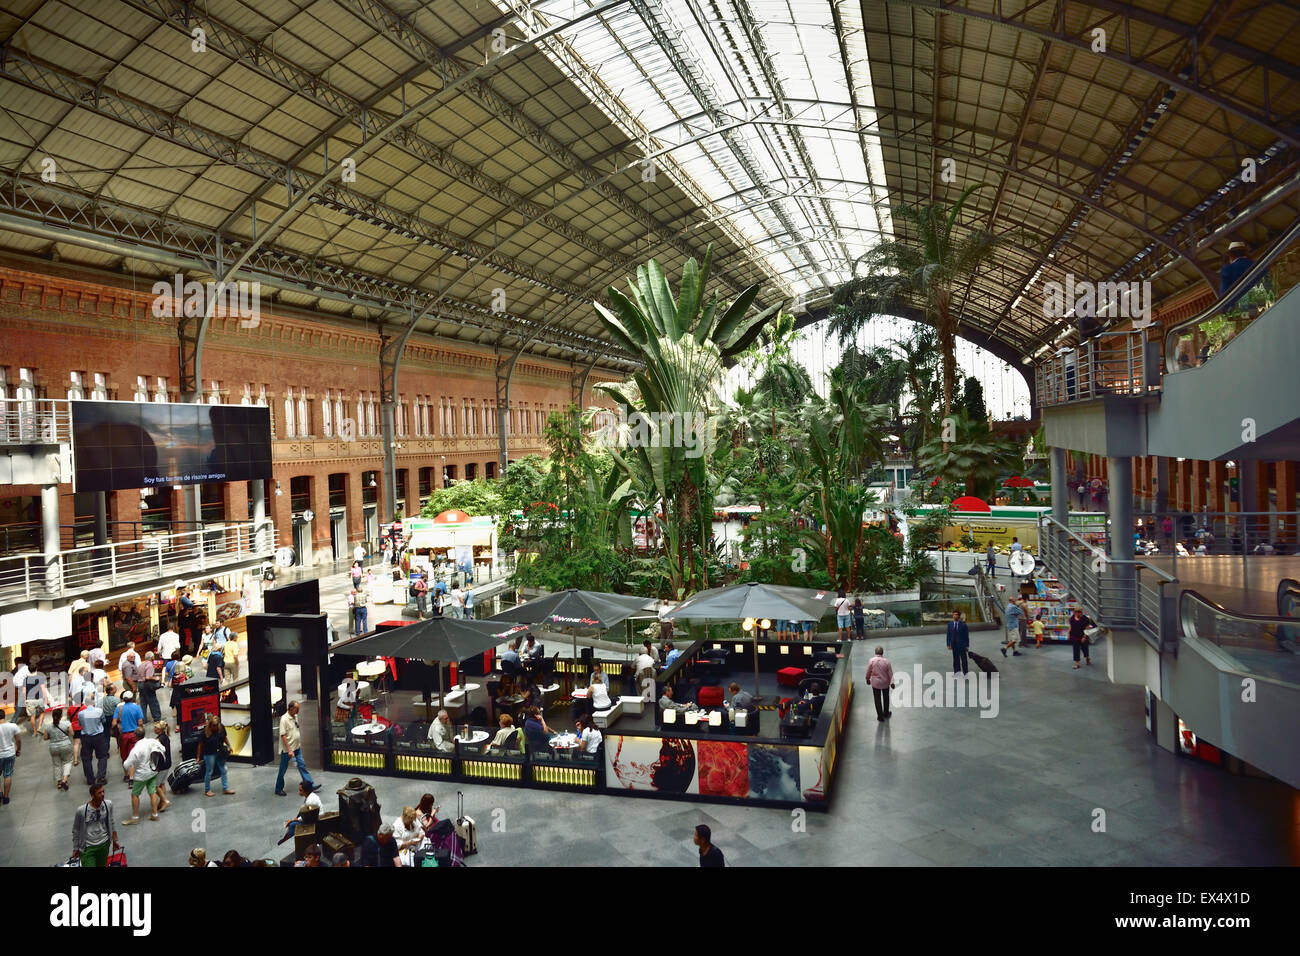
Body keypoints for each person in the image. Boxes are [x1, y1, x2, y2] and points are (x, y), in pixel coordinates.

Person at [120, 732, 169, 824]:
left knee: (135, 794)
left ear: (135, 737)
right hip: (152, 771)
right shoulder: (151, 741)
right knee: (152, 792)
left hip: (141, 775)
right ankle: (155, 814)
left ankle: (135, 817)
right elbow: (163, 748)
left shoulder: (135, 749)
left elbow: (126, 765)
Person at [72, 781, 120, 867]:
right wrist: (76, 848)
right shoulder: (81, 810)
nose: (102, 794)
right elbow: (76, 830)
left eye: (103, 792)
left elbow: (111, 822)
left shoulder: (108, 804)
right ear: (92, 795)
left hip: (104, 844)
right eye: (99, 793)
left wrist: (115, 840)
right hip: (88, 847)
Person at [275, 700, 315, 795]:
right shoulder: (284, 719)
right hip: (287, 750)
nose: (298, 711)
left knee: (302, 766)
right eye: (297, 709)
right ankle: (278, 788)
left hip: (297, 748)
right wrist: (289, 749)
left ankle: (310, 785)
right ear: (291, 708)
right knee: (283, 769)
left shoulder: (295, 717)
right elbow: (283, 735)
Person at [196, 713, 235, 796]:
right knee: (209, 771)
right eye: (214, 725)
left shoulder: (221, 728)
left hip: (220, 752)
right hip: (209, 753)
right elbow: (200, 745)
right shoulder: (205, 732)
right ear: (210, 725)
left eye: (217, 725)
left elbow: (224, 737)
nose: (216, 727)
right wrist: (198, 757)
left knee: (223, 769)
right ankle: (207, 790)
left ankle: (225, 788)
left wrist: (229, 746)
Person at [278, 779, 322, 845]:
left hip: (314, 821)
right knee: (292, 823)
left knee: (292, 825)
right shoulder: (311, 796)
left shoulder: (310, 801)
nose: (299, 792)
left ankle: (287, 840)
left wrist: (295, 820)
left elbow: (307, 816)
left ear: (306, 791)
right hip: (311, 818)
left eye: (301, 790)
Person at [77, 697, 108, 788]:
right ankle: (101, 777)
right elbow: (103, 721)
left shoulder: (81, 714)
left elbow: (80, 724)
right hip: (98, 736)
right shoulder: (99, 711)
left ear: (85, 704)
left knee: (86, 758)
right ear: (94, 702)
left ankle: (90, 778)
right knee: (102, 756)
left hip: (86, 737)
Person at [113, 690, 145, 774]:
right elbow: (140, 722)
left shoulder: (118, 708)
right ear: (131, 698)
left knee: (124, 755)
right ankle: (134, 774)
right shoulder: (137, 707)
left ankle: (126, 774)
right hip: (135, 735)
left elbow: (114, 723)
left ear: (123, 699)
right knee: (134, 754)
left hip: (123, 736)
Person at [43, 707, 74, 790]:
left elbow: (45, 737)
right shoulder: (66, 723)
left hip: (53, 747)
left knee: (57, 764)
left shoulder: (48, 726)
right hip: (66, 745)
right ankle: (65, 780)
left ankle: (59, 783)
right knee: (67, 762)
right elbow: (72, 733)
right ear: (61, 716)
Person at [865, 646, 894, 721]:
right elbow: (890, 673)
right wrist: (892, 682)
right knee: (886, 698)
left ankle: (880, 716)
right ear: (882, 653)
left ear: (875, 653)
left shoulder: (871, 661)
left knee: (877, 699)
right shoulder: (887, 661)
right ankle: (886, 713)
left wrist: (867, 679)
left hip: (875, 683)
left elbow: (868, 671)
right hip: (885, 683)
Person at [0, 716, 22, 805]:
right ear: (4, 716)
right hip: (9, 753)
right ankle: (6, 797)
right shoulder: (13, 726)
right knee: (7, 775)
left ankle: (0, 793)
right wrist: (18, 749)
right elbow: (18, 740)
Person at [138, 652, 162, 723]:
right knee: (153, 702)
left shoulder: (141, 664)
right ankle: (157, 718)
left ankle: (143, 719)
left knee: (143, 703)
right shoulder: (150, 665)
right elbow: (148, 677)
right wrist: (156, 678)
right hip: (147, 685)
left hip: (140, 685)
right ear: (152, 658)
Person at [946, 610, 970, 675]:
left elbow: (966, 636)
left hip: (962, 645)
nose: (955, 616)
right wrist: (948, 644)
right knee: (956, 659)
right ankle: (957, 672)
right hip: (954, 645)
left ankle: (965, 673)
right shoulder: (950, 624)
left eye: (956, 614)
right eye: (954, 614)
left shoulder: (963, 625)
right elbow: (948, 635)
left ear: (959, 616)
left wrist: (967, 645)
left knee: (964, 659)